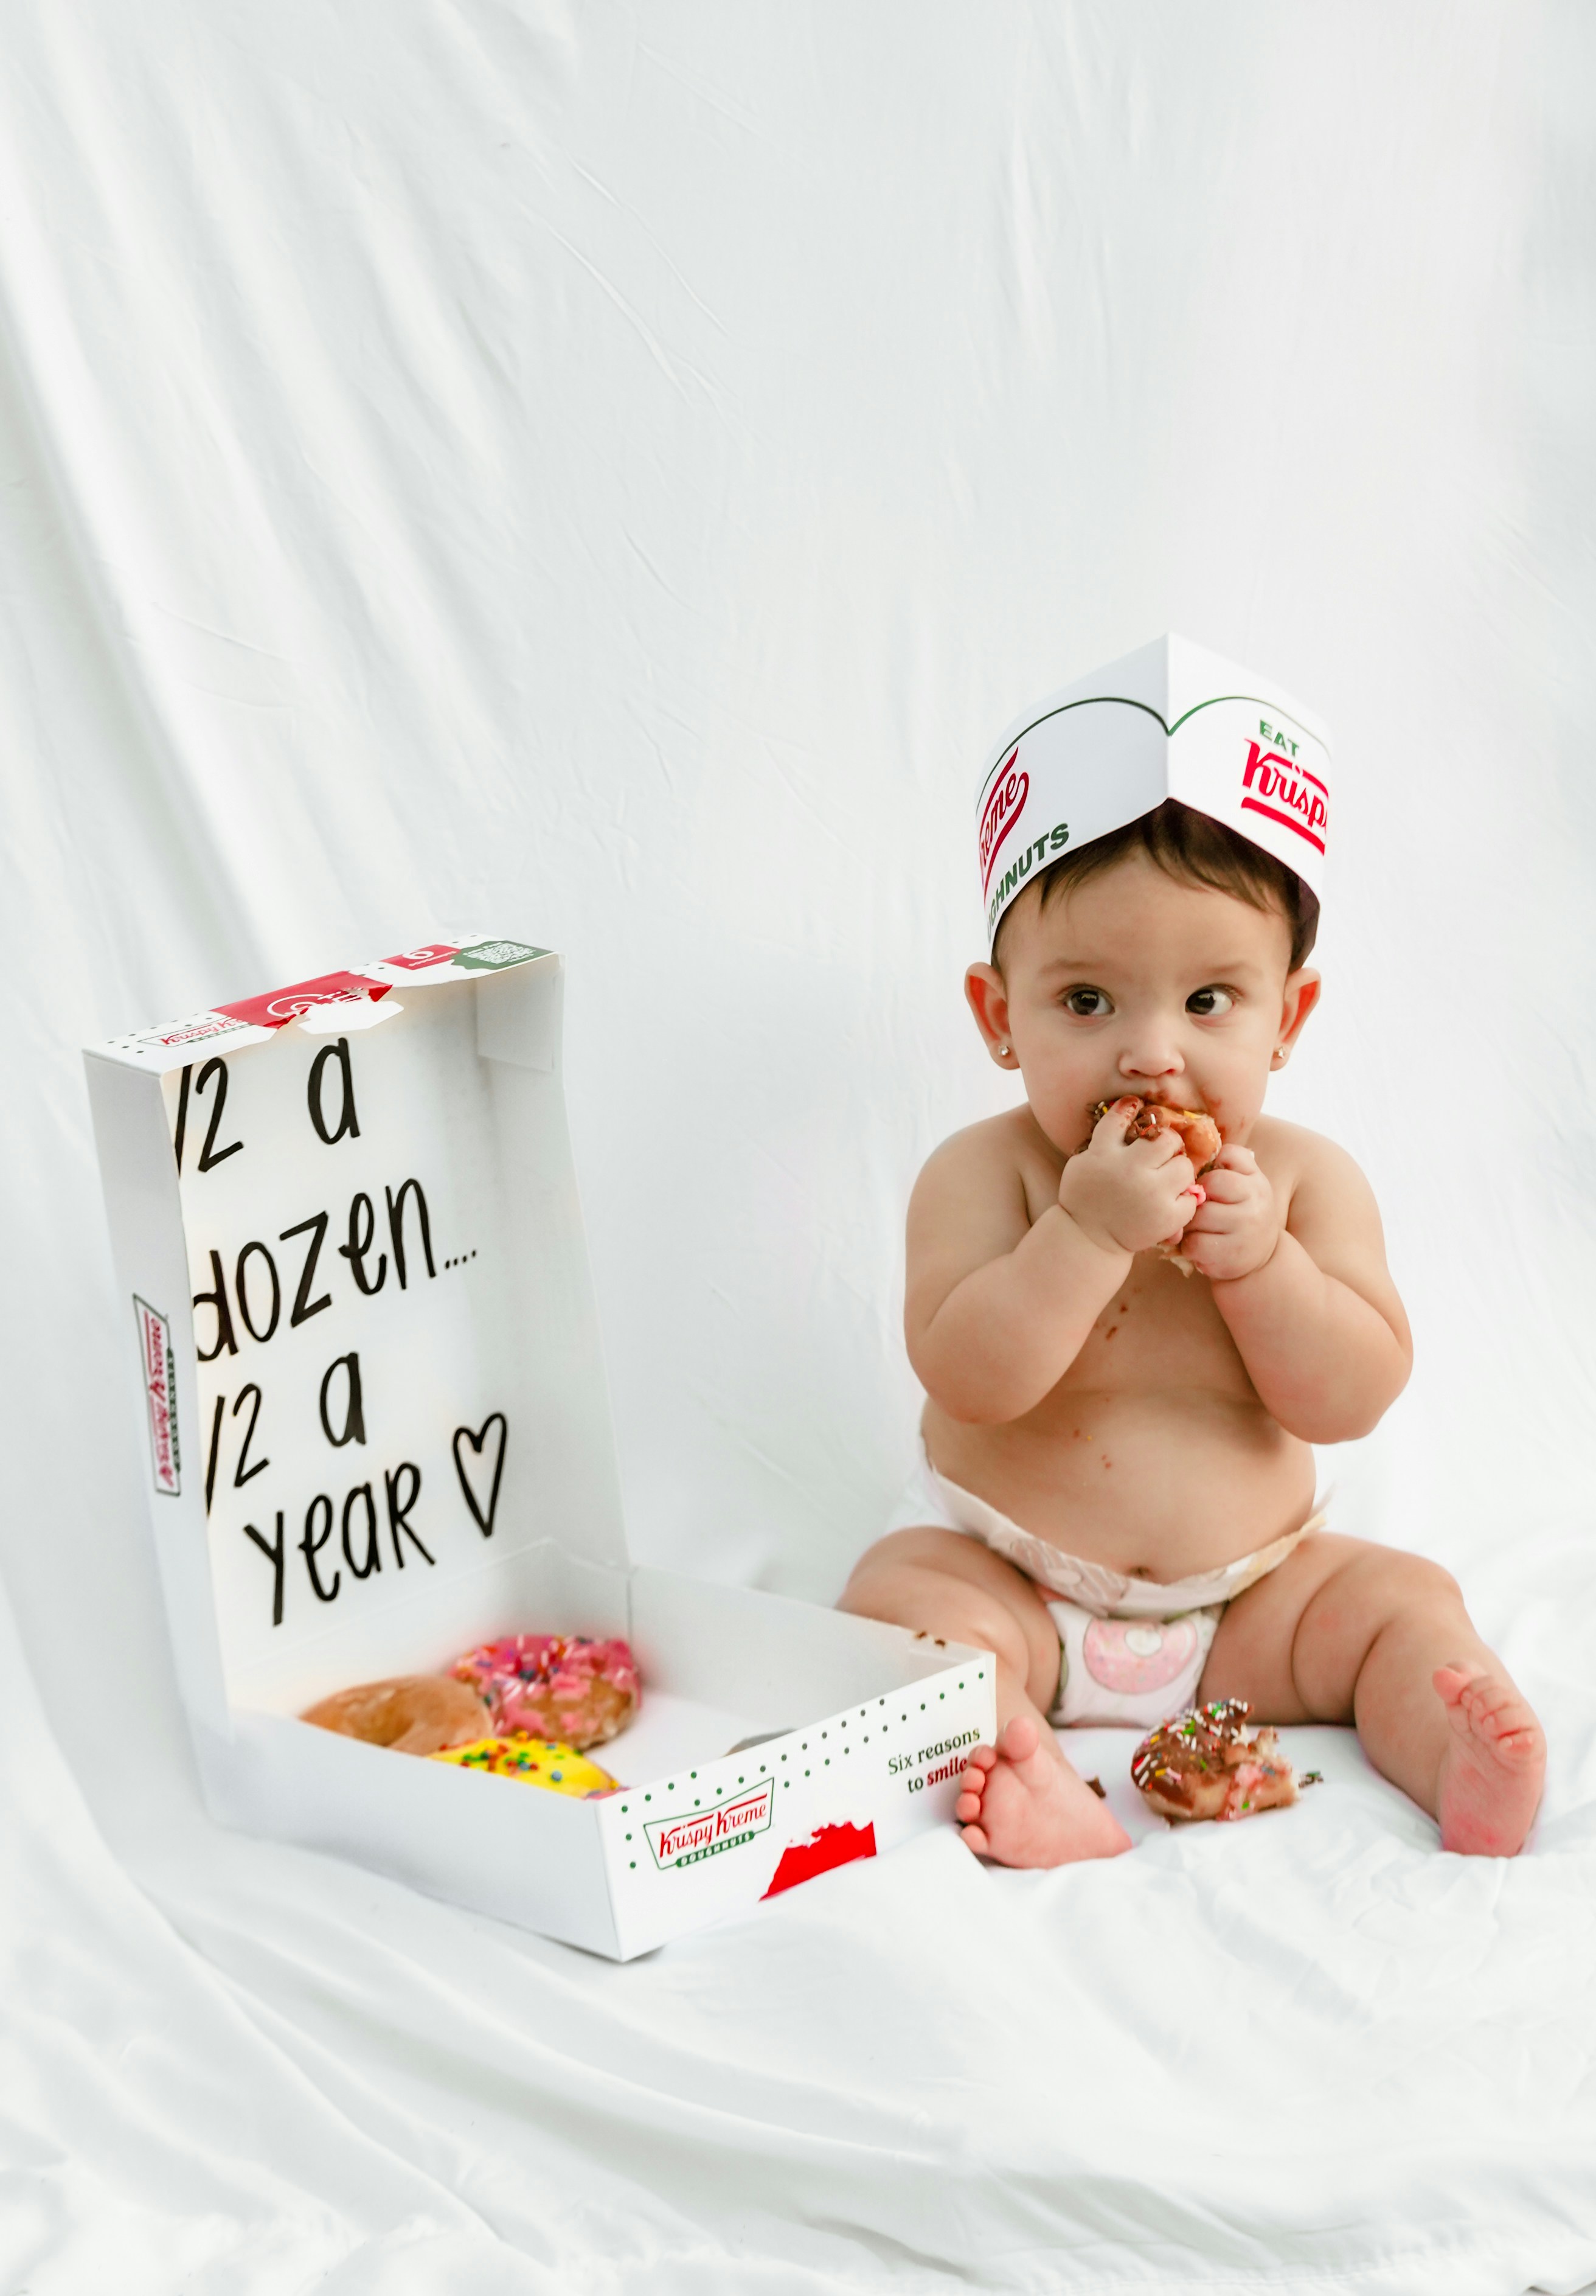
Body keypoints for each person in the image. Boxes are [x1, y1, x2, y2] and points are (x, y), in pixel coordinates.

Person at [840, 638, 1545, 1866]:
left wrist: (1265, 1267)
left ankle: (1454, 1759)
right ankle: (1029, 1771)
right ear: (999, 1016)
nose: (1151, 1055)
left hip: (1252, 1608)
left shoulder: (1308, 1182)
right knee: (893, 1610)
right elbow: (970, 1377)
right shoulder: (984, 1172)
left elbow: (1353, 1397)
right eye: (1087, 1002)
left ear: (1290, 1018)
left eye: (1209, 1000)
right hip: (1009, 1583)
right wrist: (1083, 1232)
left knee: (1397, 1604)